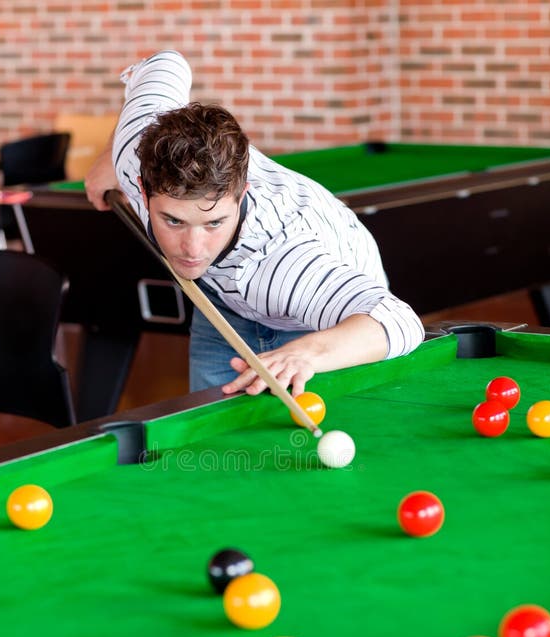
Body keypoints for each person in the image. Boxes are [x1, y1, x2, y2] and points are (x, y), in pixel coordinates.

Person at [85, 50, 425, 397]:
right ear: (142, 189)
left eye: (214, 223)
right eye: (173, 220)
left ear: (241, 193)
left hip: (322, 319)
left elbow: (398, 320)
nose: (192, 248)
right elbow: (165, 62)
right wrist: (110, 155)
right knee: (209, 423)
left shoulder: (284, 263)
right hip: (224, 297)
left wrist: (304, 353)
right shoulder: (134, 148)